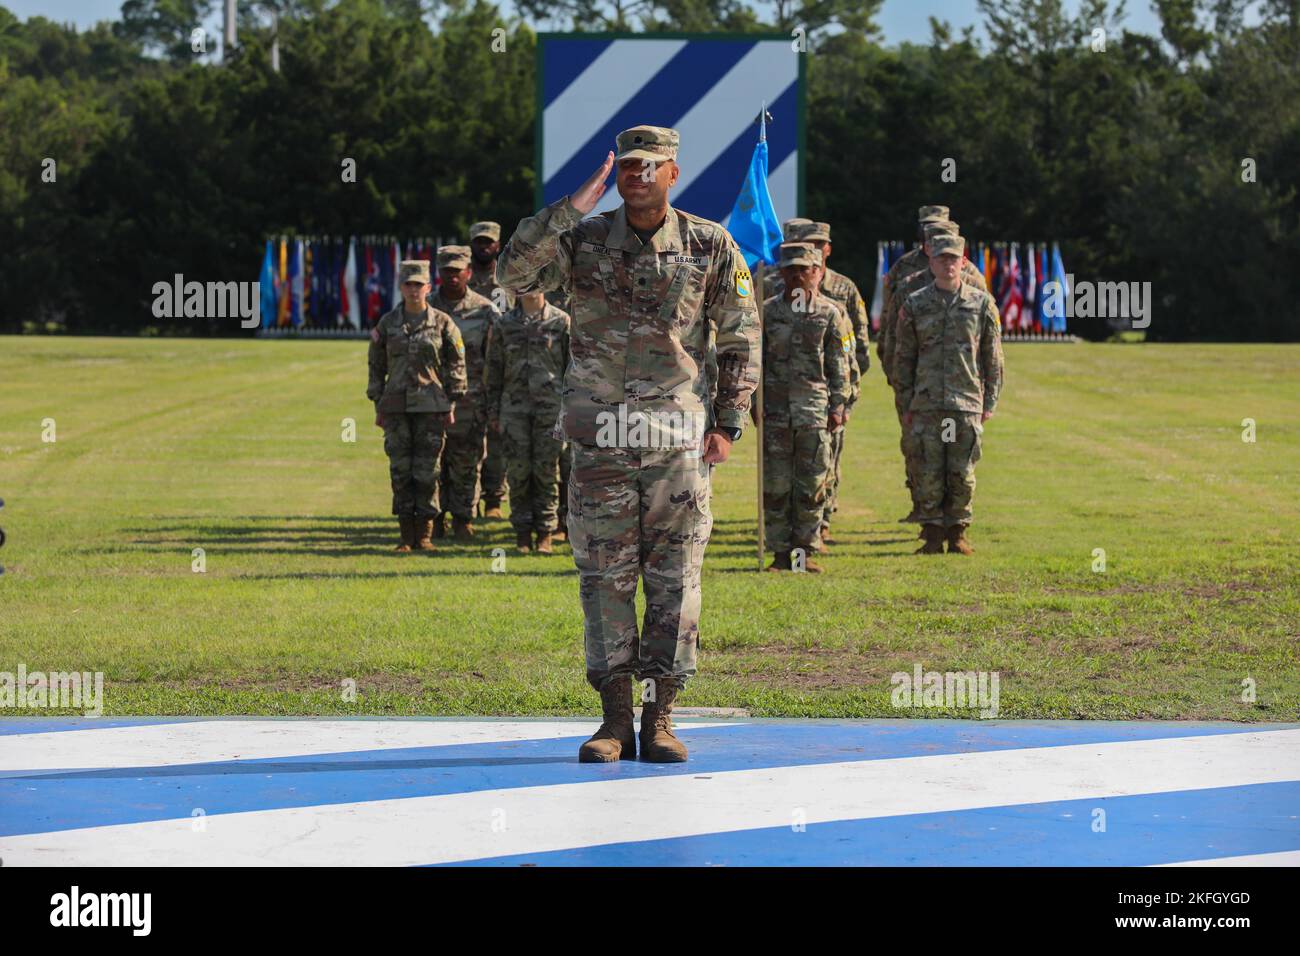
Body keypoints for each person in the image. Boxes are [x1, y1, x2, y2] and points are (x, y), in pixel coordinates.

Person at [497, 125, 760, 763]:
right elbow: (511, 273)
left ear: (674, 172)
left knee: (675, 580)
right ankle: (614, 720)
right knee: (604, 579)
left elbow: (740, 336)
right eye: (629, 165)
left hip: (677, 444)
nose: (637, 175)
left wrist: (727, 422)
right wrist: (569, 209)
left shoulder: (709, 245)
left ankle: (662, 717)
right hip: (601, 443)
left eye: (651, 165)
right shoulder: (583, 240)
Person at [893, 234, 1004, 555]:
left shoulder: (981, 303)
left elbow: (992, 357)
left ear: (962, 261)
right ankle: (930, 533)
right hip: (926, 402)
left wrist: (990, 401)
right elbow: (904, 357)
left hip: (966, 401)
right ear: (931, 260)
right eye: (941, 258)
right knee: (928, 470)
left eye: (953, 258)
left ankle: (957, 532)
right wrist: (905, 402)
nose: (947, 263)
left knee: (962, 472)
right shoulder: (915, 303)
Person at [760, 243, 850, 573]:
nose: (798, 275)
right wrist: (752, 405)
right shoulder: (767, 311)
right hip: (775, 413)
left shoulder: (830, 313)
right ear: (781, 273)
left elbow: (840, 365)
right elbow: (757, 362)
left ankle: (804, 554)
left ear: (817, 271)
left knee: (811, 486)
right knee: (777, 486)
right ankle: (780, 555)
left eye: (805, 269)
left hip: (815, 413)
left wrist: (839, 406)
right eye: (791, 269)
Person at [366, 260, 466, 551]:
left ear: (428, 287)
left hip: (431, 407)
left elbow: (456, 363)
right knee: (400, 471)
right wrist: (377, 401)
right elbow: (375, 364)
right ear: (401, 287)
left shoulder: (443, 323)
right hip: (395, 407)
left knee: (427, 472)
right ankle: (405, 535)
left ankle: (425, 533)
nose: (413, 290)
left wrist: (452, 400)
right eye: (408, 284)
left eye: (418, 285)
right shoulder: (387, 323)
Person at [484, 290, 570, 555]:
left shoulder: (562, 322)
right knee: (518, 472)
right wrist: (494, 413)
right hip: (514, 410)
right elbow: (494, 370)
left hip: (551, 410)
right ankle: (522, 533)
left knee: (546, 471)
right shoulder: (503, 323)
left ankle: (545, 532)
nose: (529, 287)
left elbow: (573, 369)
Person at [428, 245, 500, 540]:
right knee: (435, 461)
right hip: (432, 399)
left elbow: (496, 359)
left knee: (467, 461)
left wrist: (492, 399)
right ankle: (435, 517)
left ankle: (463, 518)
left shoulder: (485, 310)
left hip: (472, 399)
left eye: (457, 271)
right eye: (446, 271)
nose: (452, 277)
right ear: (439, 273)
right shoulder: (427, 307)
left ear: (468, 273)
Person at [468, 221, 511, 519]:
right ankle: (465, 502)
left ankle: (494, 499)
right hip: (469, 372)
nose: (484, 247)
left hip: (501, 371)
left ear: (498, 245)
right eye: (479, 242)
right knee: (468, 438)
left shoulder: (509, 280)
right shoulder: (461, 278)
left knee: (497, 438)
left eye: (489, 242)